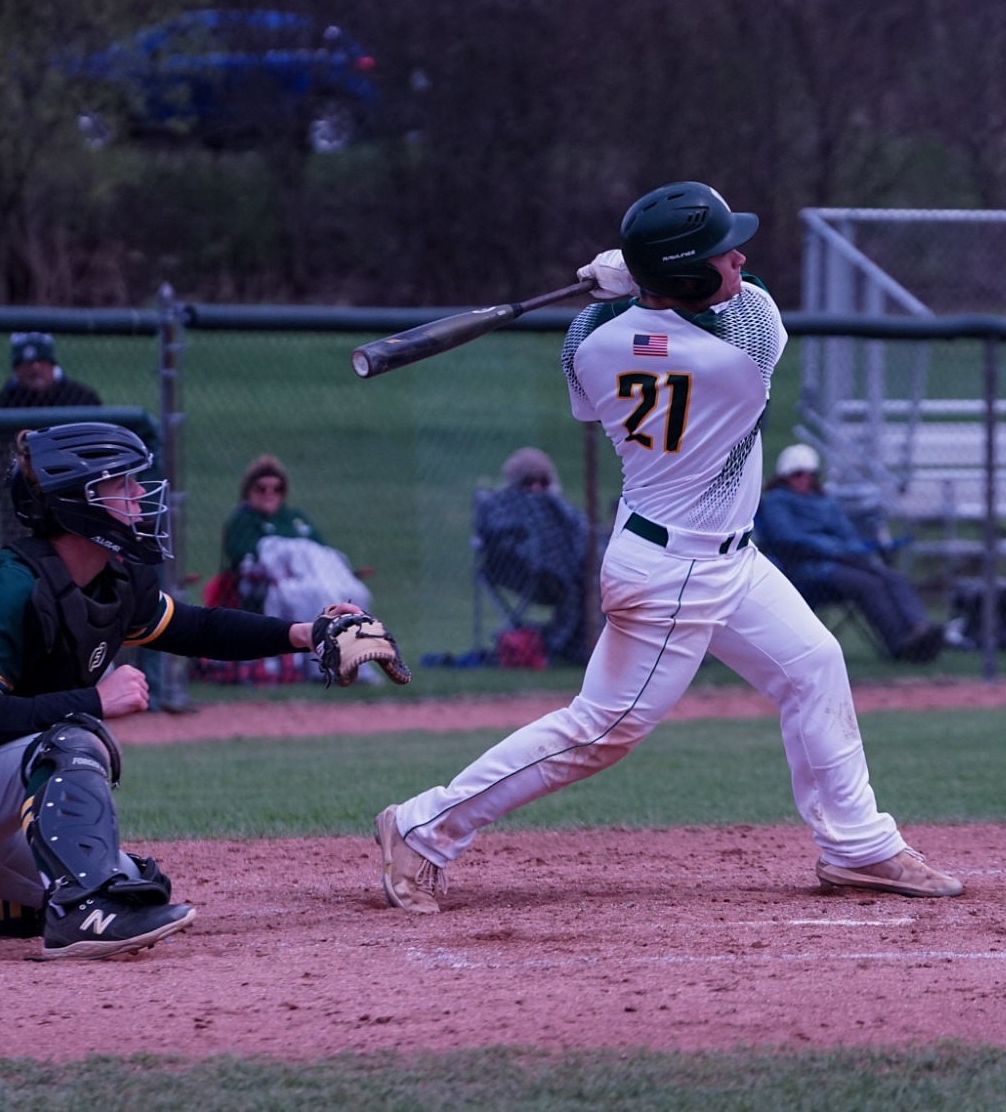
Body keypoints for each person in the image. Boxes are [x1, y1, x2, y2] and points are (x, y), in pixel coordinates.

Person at [373, 181, 963, 913]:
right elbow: (750, 294)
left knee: (814, 664)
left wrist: (621, 292)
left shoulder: (585, 339)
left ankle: (858, 846)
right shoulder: (748, 343)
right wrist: (636, 283)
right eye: (722, 252)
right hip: (677, 572)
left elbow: (602, 383)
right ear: (687, 276)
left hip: (714, 554)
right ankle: (423, 826)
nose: (740, 257)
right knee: (602, 730)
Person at [0, 422, 395, 957]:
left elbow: (197, 627)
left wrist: (304, 633)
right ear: (77, 501)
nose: (139, 495)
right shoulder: (6, 584)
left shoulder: (110, 578)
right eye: (121, 484)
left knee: (137, 883)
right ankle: (83, 916)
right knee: (72, 742)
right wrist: (95, 701)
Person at [755, 443, 944, 664]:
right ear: (785, 476)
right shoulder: (777, 501)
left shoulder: (824, 502)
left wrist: (852, 548)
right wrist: (828, 547)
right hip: (808, 567)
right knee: (868, 584)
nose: (804, 479)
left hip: (844, 559)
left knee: (892, 578)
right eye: (798, 474)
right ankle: (899, 643)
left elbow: (848, 535)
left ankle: (920, 631)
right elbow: (785, 537)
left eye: (810, 474)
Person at [0, 332, 102, 559]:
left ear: (52, 363)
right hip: (19, 526)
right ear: (15, 368)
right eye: (26, 363)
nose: (35, 369)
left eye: (41, 361)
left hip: (78, 521)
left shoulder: (83, 401)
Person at [472, 447, 591, 664]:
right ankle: (558, 647)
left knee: (589, 582)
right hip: (530, 575)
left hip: (568, 574)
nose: (536, 489)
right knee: (582, 583)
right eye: (527, 482)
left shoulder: (557, 509)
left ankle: (568, 645)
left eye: (543, 482)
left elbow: (580, 532)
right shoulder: (500, 508)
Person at [219, 455, 370, 623]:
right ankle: (315, 639)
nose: (270, 493)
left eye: (277, 488)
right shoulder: (243, 520)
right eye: (262, 488)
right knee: (316, 594)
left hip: (313, 577)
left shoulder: (296, 518)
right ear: (248, 491)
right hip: (272, 584)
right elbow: (244, 556)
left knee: (355, 592)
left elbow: (322, 553)